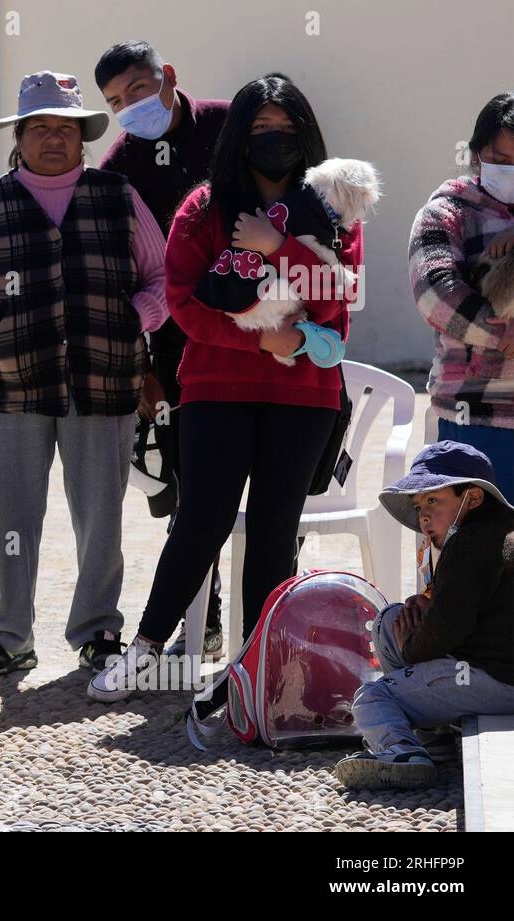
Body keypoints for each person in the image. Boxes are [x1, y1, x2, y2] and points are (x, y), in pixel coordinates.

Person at [88, 74, 363, 702]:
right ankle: (146, 650)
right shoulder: (204, 207)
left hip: (304, 399)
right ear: (238, 136)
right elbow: (183, 305)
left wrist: (280, 245)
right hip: (217, 390)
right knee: (200, 521)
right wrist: (259, 341)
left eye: (286, 128)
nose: (274, 140)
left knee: (275, 530)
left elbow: (340, 296)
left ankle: (260, 668)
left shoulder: (332, 207)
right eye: (260, 128)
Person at [0, 70, 166, 677]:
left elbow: (163, 278)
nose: (54, 139)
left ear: (83, 136)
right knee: (12, 519)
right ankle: (8, 636)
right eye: (40, 128)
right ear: (20, 135)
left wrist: (132, 319)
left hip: (104, 383)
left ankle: (96, 630)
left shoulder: (118, 196)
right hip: (12, 390)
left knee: (100, 518)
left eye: (66, 128)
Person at [95, 41, 231, 658]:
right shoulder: (120, 163)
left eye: (139, 91)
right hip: (178, 351)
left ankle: (271, 621)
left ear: (169, 77)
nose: (130, 108)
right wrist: (144, 367)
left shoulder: (231, 125)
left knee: (270, 491)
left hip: (261, 332)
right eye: (116, 102)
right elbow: (119, 275)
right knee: (192, 490)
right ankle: (202, 624)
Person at [335, 442, 514, 789]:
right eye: (419, 507)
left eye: (434, 500)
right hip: (495, 667)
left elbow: (445, 632)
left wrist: (411, 646)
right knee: (391, 621)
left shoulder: (468, 544)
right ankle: (435, 740)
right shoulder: (499, 530)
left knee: (374, 697)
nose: (424, 517)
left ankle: (403, 753)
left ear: (472, 500)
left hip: (498, 680)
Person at [409, 92, 514, 500]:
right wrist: (502, 334)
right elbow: (435, 294)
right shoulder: (448, 212)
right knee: (475, 552)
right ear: (475, 157)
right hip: (475, 418)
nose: (510, 169)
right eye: (499, 160)